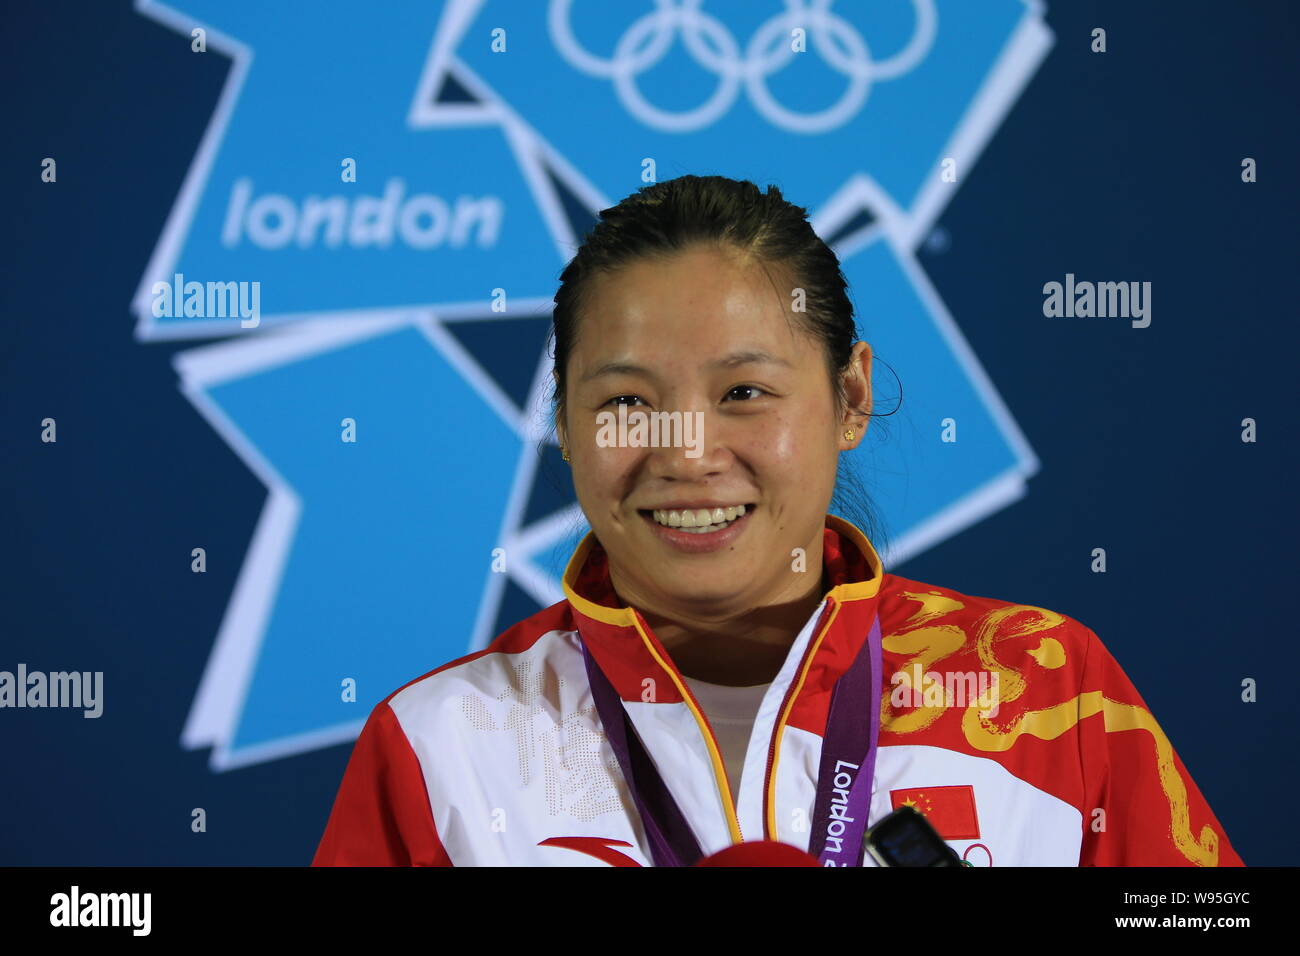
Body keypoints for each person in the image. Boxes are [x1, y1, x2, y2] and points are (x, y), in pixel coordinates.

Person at [312, 175, 1243, 867]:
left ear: (849, 396)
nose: (685, 452)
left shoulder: (1048, 693)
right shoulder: (440, 744)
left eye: (745, 391)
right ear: (564, 425)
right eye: (627, 402)